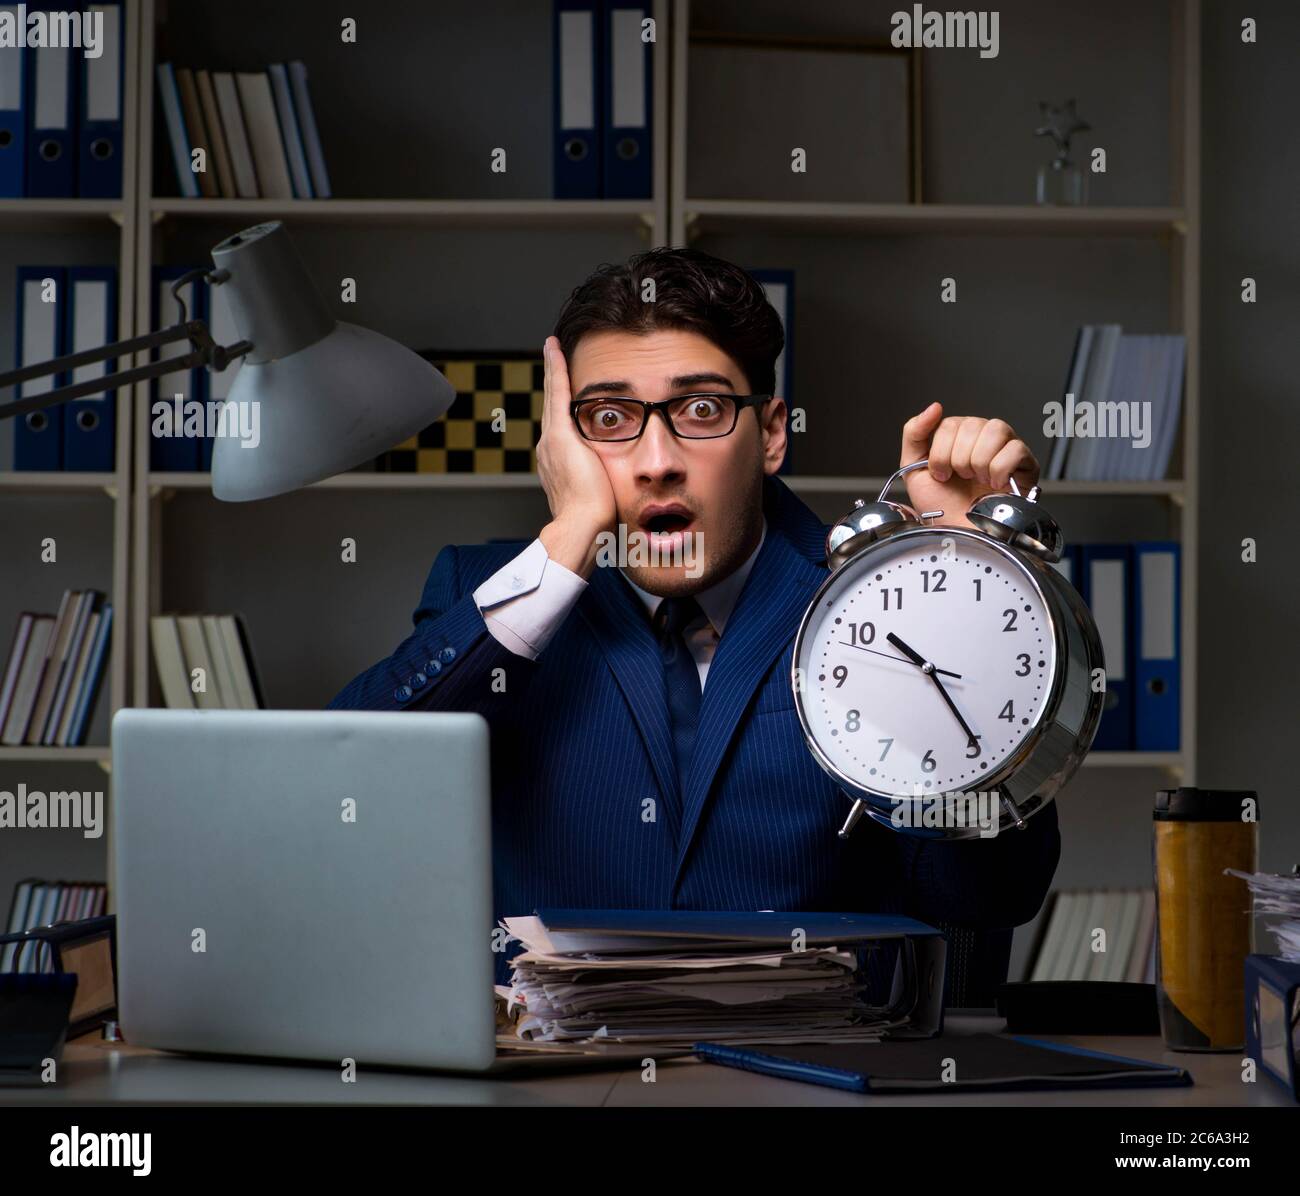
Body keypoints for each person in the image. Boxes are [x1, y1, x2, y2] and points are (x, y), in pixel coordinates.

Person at [329, 247, 1059, 986]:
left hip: (807, 1079)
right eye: (608, 417)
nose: (655, 460)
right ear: (564, 445)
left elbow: (987, 894)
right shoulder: (493, 599)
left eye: (700, 410)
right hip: (554, 1088)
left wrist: (964, 587)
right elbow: (343, 805)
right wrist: (568, 542)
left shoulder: (871, 602)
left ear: (771, 434)